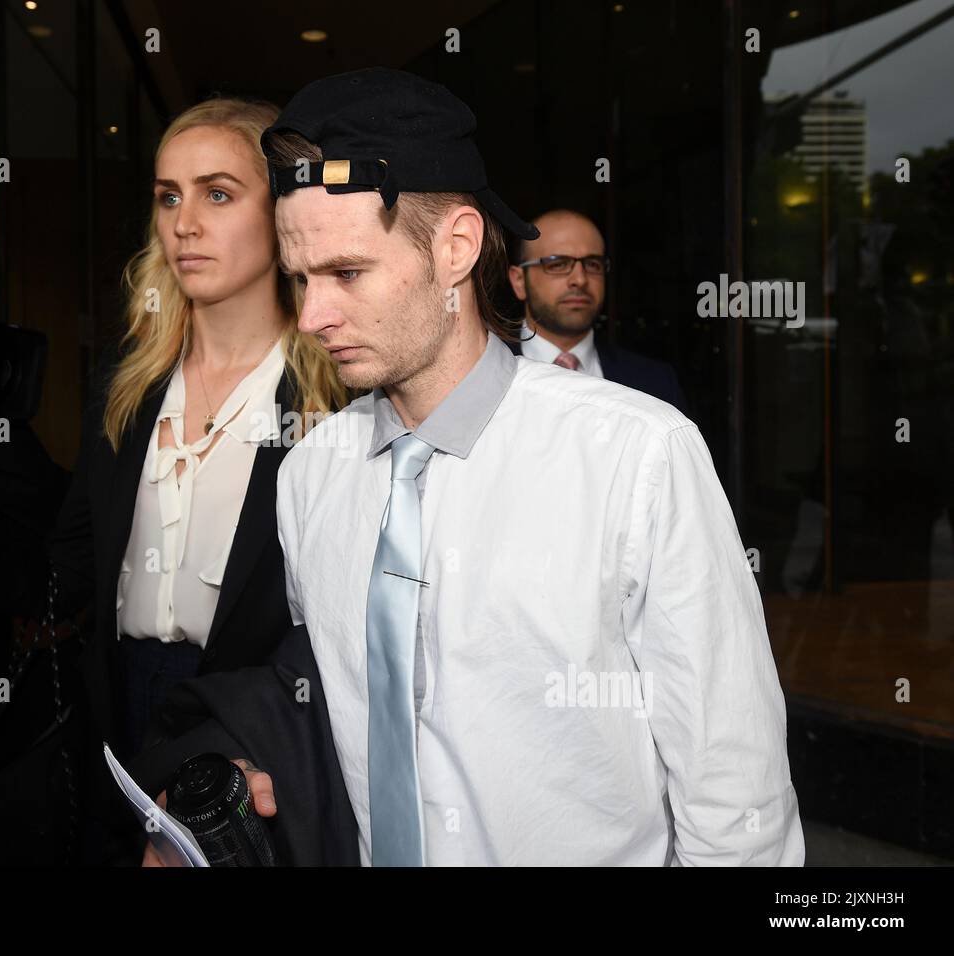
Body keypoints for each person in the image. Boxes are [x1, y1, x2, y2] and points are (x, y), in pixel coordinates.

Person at [136, 67, 804, 866]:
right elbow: (328, 705)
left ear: (456, 246)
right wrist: (242, 765)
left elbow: (735, 791)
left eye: (347, 273)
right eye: (300, 279)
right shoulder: (312, 476)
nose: (312, 316)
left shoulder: (636, 457)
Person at [0, 96, 348, 767]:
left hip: (264, 728)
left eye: (217, 195)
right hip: (117, 713)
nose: (185, 223)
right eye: (168, 197)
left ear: (283, 211)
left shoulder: (335, 396)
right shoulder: (131, 385)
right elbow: (62, 578)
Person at [506, 209, 690, 415]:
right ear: (519, 281)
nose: (580, 279)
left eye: (592, 264)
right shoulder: (480, 373)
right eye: (558, 264)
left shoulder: (655, 384)